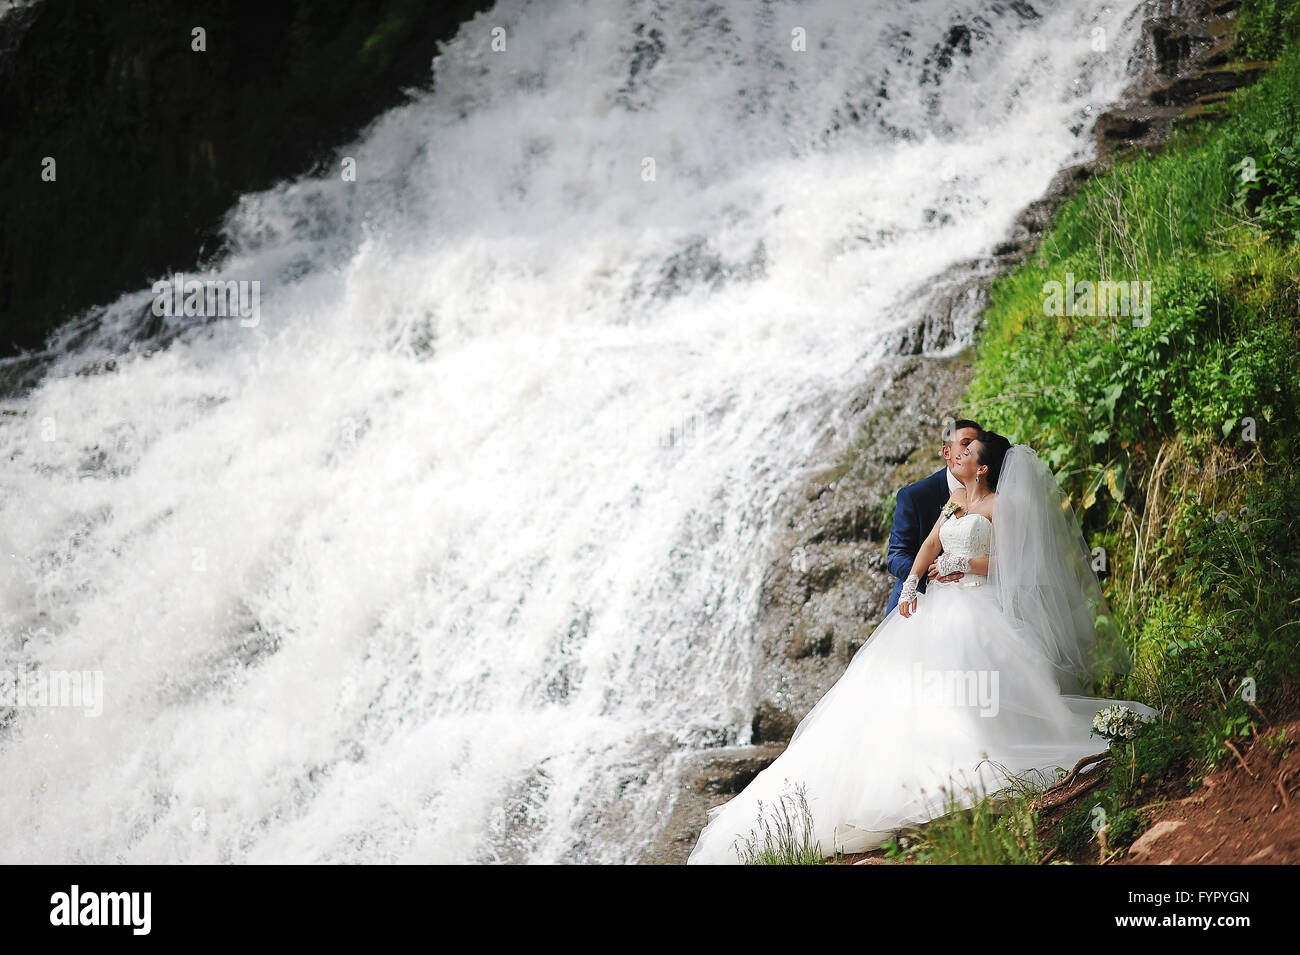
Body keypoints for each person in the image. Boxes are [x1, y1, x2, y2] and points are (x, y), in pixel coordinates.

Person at [687, 431, 1158, 864]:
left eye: (968, 452)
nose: (959, 455)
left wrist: (965, 562)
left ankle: (975, 758)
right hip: (938, 607)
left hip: (978, 606)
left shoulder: (1000, 506)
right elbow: (931, 543)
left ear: (984, 468)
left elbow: (1012, 564)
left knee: (974, 689)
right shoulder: (953, 499)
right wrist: (912, 583)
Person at [886, 419, 981, 615]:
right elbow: (896, 555)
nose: (970, 451)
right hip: (920, 602)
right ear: (947, 452)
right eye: (965, 443)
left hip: (978, 597)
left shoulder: (995, 492)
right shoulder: (915, 496)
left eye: (976, 445)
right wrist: (931, 575)